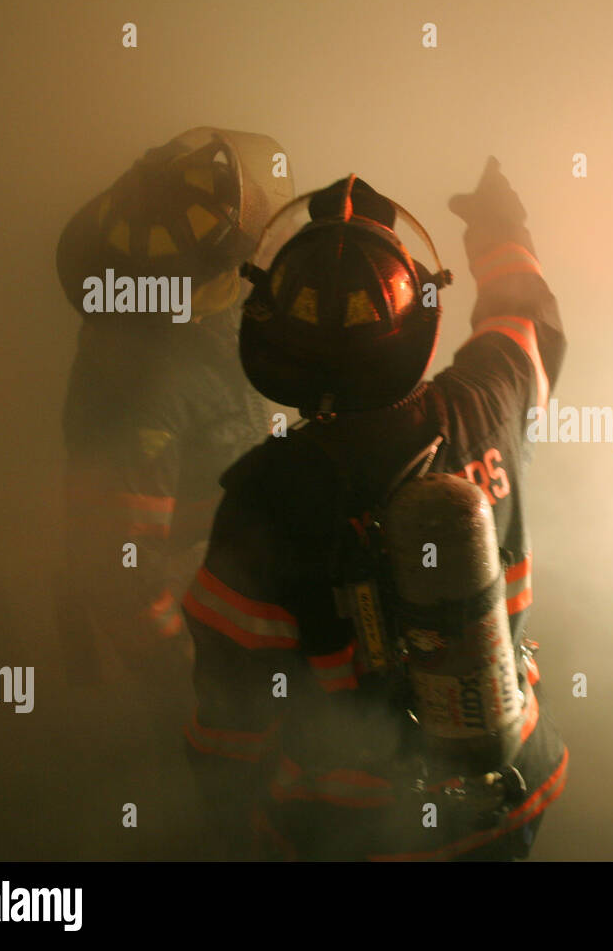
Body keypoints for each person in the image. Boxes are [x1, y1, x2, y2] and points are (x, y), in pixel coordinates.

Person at [183, 159, 568, 859]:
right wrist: (498, 227)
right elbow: (528, 316)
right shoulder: (491, 397)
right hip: (510, 789)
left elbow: (231, 720)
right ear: (418, 319)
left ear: (277, 345)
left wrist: (227, 828)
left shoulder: (263, 503)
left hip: (352, 832)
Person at [56, 127, 293, 701]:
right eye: (253, 240)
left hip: (241, 603)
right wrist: (192, 686)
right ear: (210, 273)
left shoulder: (199, 318)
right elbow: (120, 579)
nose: (269, 243)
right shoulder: (148, 394)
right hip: (201, 638)